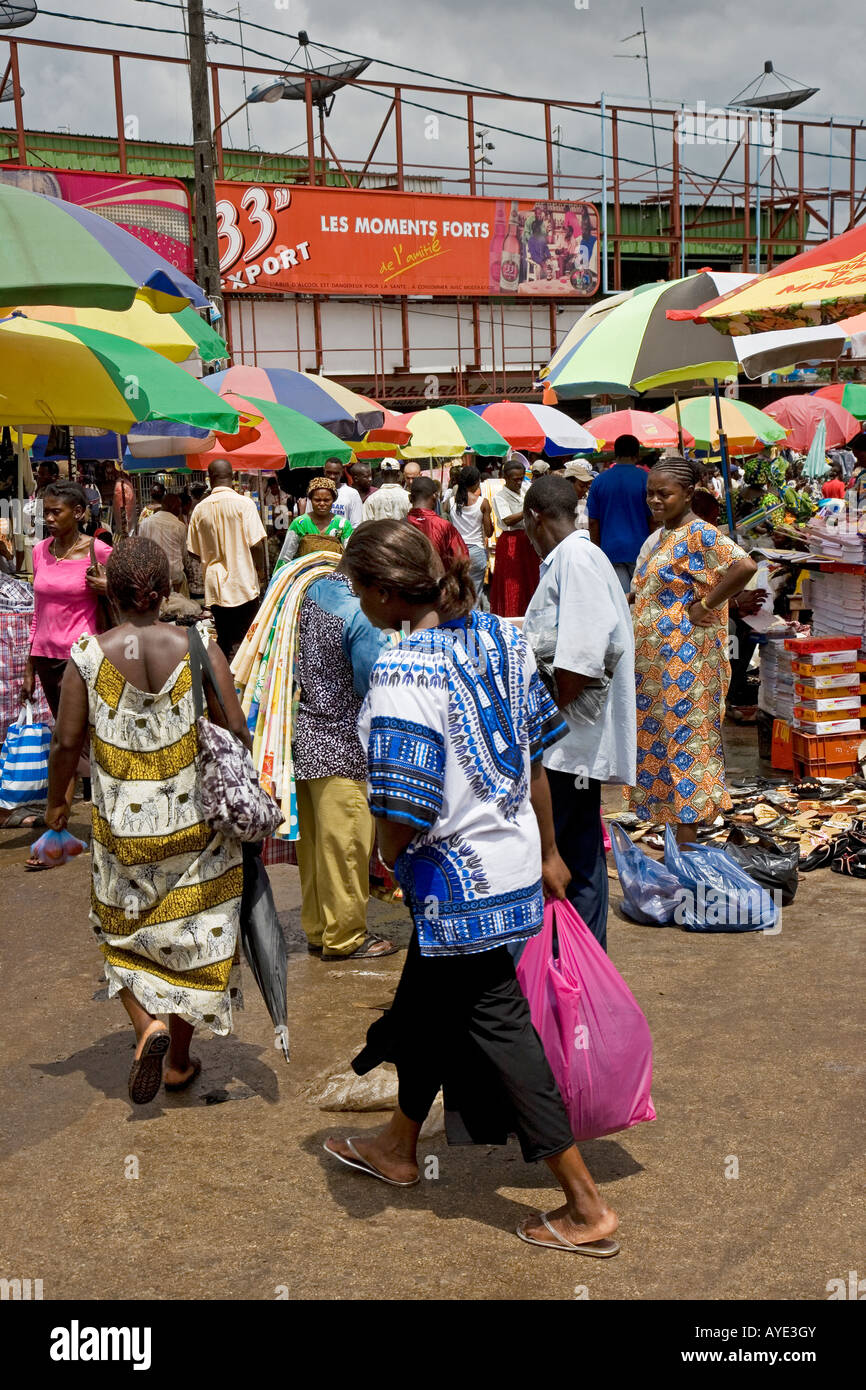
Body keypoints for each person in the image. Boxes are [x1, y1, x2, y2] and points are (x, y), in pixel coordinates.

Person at [324, 520, 620, 1258]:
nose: (355, 599)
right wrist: (549, 851)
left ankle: (584, 1204)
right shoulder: (498, 636)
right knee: (429, 1003)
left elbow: (406, 803)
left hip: (454, 882)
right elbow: (535, 759)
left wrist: (388, 857)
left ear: (387, 593)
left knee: (498, 1026)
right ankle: (399, 1144)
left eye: (357, 586)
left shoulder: (402, 669)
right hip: (511, 864)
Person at [44, 538, 249, 1104]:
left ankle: (147, 1027)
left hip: (123, 827)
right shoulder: (199, 646)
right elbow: (233, 726)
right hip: (196, 823)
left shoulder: (87, 655)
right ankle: (178, 1060)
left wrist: (57, 804)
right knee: (198, 935)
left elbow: (65, 741)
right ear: (165, 591)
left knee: (118, 930)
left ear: (111, 591)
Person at [523, 474, 636, 951]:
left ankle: (576, 958)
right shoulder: (575, 558)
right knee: (580, 852)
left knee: (566, 854)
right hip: (571, 742)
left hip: (569, 743)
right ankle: (581, 958)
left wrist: (543, 718)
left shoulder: (576, 558)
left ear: (535, 518)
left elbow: (585, 655)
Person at [629, 457, 757, 845]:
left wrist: (708, 604)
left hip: (687, 666)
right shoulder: (661, 536)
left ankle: (687, 850)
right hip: (655, 666)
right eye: (650, 493)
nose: (654, 500)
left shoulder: (700, 533)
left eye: (663, 494)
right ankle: (673, 844)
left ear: (687, 494)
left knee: (687, 747)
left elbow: (744, 566)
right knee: (659, 749)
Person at [293, 555, 394, 960]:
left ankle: (321, 929)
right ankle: (346, 935)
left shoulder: (310, 593)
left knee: (318, 848)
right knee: (347, 846)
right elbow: (374, 682)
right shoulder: (359, 612)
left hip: (305, 739)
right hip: (344, 744)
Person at [186, 459, 267, 661]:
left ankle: (223, 684)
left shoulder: (199, 509)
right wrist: (262, 573)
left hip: (216, 584)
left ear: (210, 479)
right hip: (244, 582)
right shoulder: (245, 504)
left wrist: (212, 554)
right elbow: (256, 545)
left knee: (224, 637)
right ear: (233, 476)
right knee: (246, 638)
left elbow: (193, 551)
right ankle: (239, 685)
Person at [587, 434, 651, 594]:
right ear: (637, 454)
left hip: (610, 550)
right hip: (642, 549)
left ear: (615, 454)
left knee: (620, 601)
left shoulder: (599, 481)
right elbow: (654, 518)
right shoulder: (646, 479)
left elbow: (593, 521)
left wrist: (596, 552)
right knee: (642, 601)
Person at [489, 456, 540, 617]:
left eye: (520, 479)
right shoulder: (500, 497)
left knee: (530, 579)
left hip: (528, 540)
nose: (518, 482)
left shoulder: (526, 490)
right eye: (515, 480)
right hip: (511, 541)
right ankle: (512, 615)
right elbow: (507, 519)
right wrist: (527, 510)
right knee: (512, 582)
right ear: (505, 479)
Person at [442, 464, 492, 608]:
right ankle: (472, 623)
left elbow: (444, 518)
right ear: (477, 482)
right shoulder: (483, 503)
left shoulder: (450, 502)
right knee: (475, 593)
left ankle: (459, 622)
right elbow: (489, 532)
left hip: (457, 551)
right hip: (476, 551)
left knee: (459, 592)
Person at [276, 476, 354, 566]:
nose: (322, 504)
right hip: (305, 576)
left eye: (326, 500)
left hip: (335, 576)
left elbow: (351, 556)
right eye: (317, 500)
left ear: (333, 500)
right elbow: (285, 557)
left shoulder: (343, 525)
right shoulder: (299, 524)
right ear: (310, 500)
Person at [406, 475, 468, 568]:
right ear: (435, 496)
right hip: (438, 580)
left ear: (410, 498)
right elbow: (462, 560)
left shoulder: (399, 526)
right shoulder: (444, 526)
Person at [138, 492, 189, 593]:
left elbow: (141, 552)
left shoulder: (145, 523)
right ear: (175, 508)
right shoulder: (179, 526)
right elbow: (184, 554)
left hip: (151, 577)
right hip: (174, 577)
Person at [562, 460, 594, 531]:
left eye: (587, 486)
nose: (585, 490)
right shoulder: (558, 504)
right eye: (582, 486)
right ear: (569, 483)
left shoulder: (584, 503)